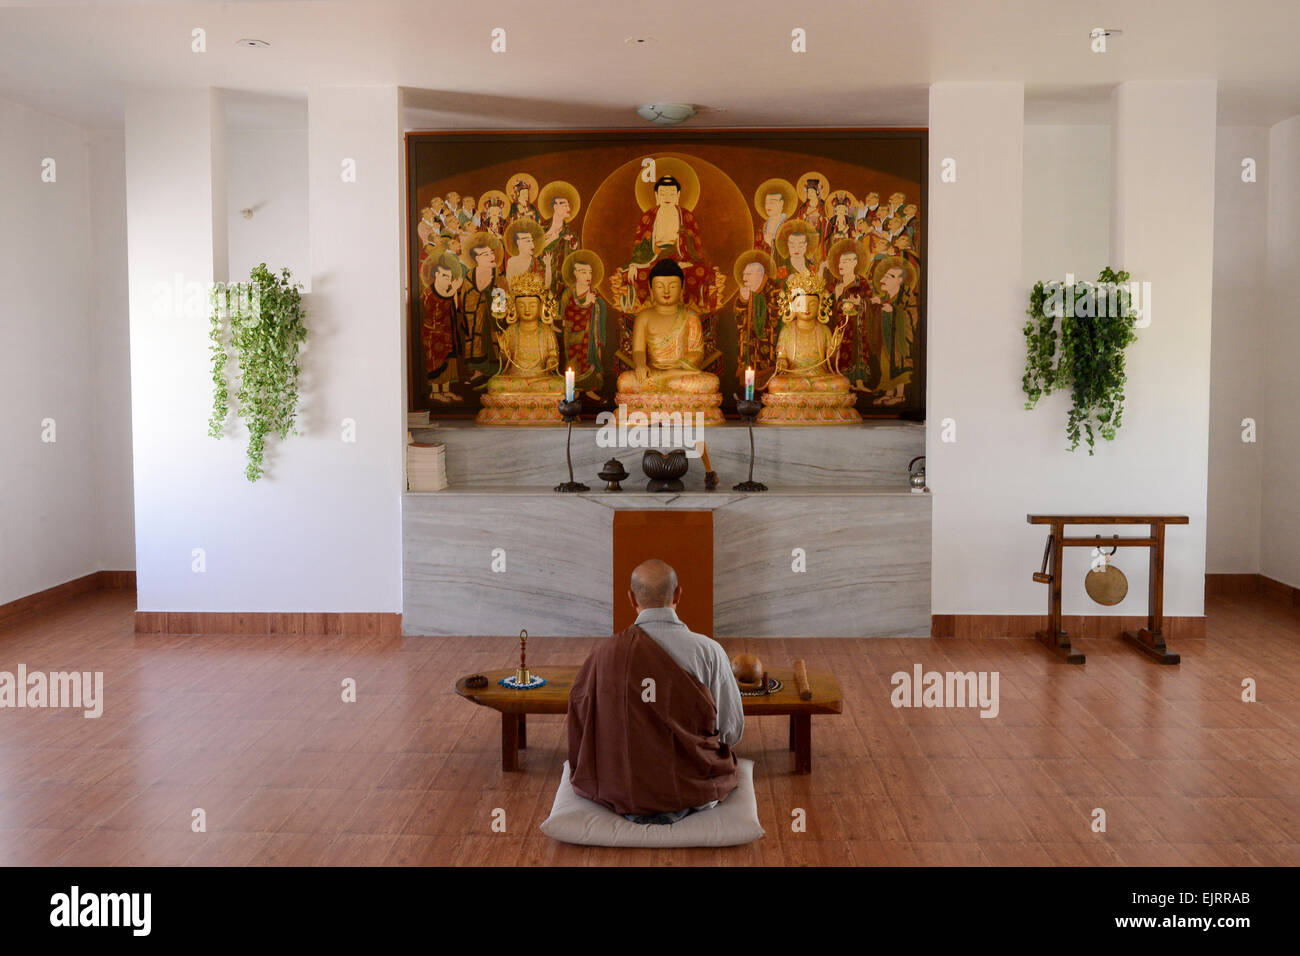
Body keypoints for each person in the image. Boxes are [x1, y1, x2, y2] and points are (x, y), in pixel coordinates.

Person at [567, 559, 743, 826]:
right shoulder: (708, 651)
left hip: (622, 791)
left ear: (630, 598)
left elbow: (581, 723)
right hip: (695, 791)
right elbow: (731, 731)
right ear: (678, 594)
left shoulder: (604, 654)